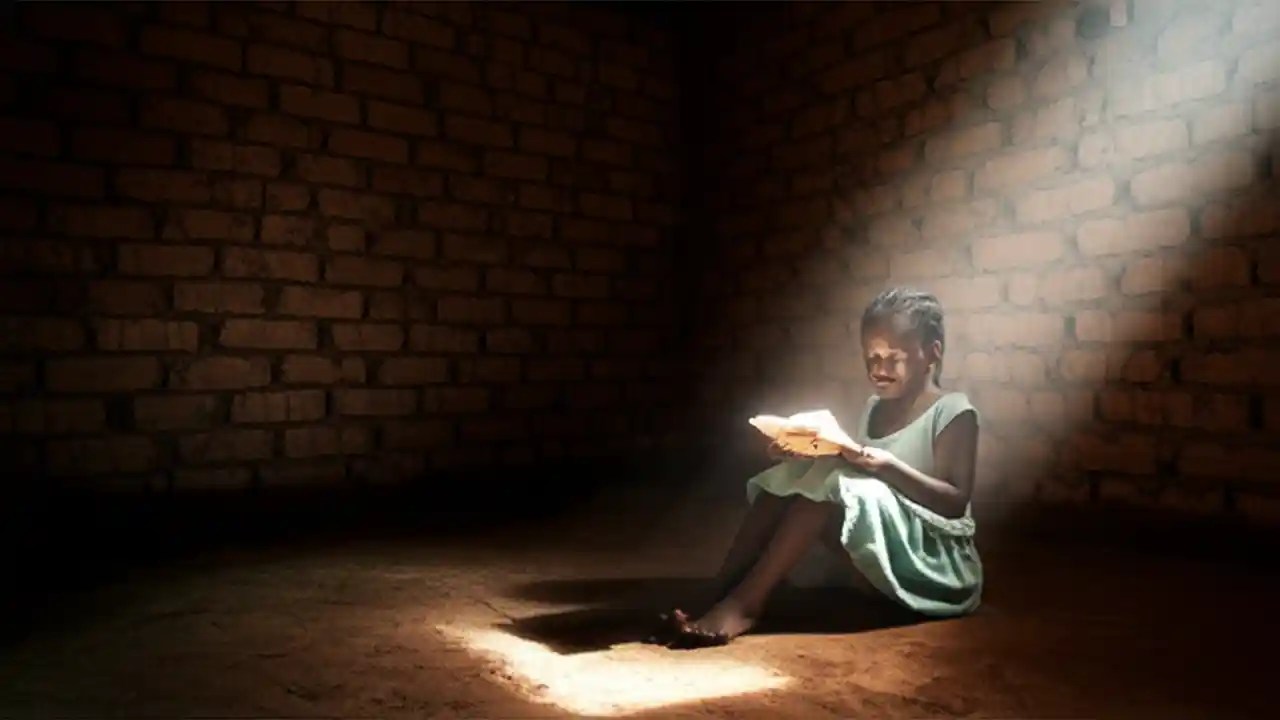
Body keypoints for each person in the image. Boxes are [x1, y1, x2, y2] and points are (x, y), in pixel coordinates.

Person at [651, 287, 983, 648]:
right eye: (871, 356)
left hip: (929, 564)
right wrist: (804, 453)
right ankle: (722, 587)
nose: (879, 368)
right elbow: (852, 473)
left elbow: (953, 502)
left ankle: (745, 604)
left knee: (835, 483)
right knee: (791, 477)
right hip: (884, 548)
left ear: (931, 354)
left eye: (894, 357)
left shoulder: (953, 411)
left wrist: (884, 464)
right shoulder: (875, 407)